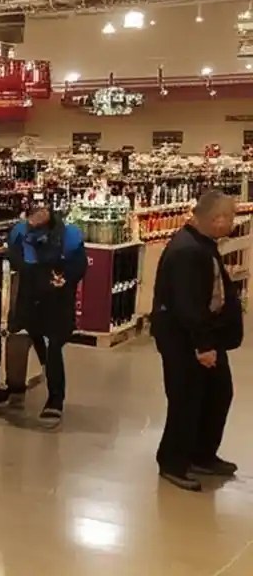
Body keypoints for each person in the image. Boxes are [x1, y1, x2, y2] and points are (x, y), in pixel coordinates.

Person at [151, 190, 243, 492]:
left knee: (217, 394)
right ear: (217, 219)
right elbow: (188, 306)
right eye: (230, 217)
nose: (233, 222)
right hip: (185, 340)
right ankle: (173, 462)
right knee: (186, 400)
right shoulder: (187, 251)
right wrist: (203, 346)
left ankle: (202, 454)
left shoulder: (202, 244)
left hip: (205, 336)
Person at [0, 204, 87, 428]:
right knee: (23, 340)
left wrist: (65, 278)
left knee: (52, 346)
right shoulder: (19, 232)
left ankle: (55, 399)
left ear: (50, 212)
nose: (34, 217)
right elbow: (15, 257)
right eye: (31, 212)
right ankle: (14, 390)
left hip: (57, 299)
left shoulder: (69, 235)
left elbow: (79, 265)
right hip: (29, 296)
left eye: (40, 211)